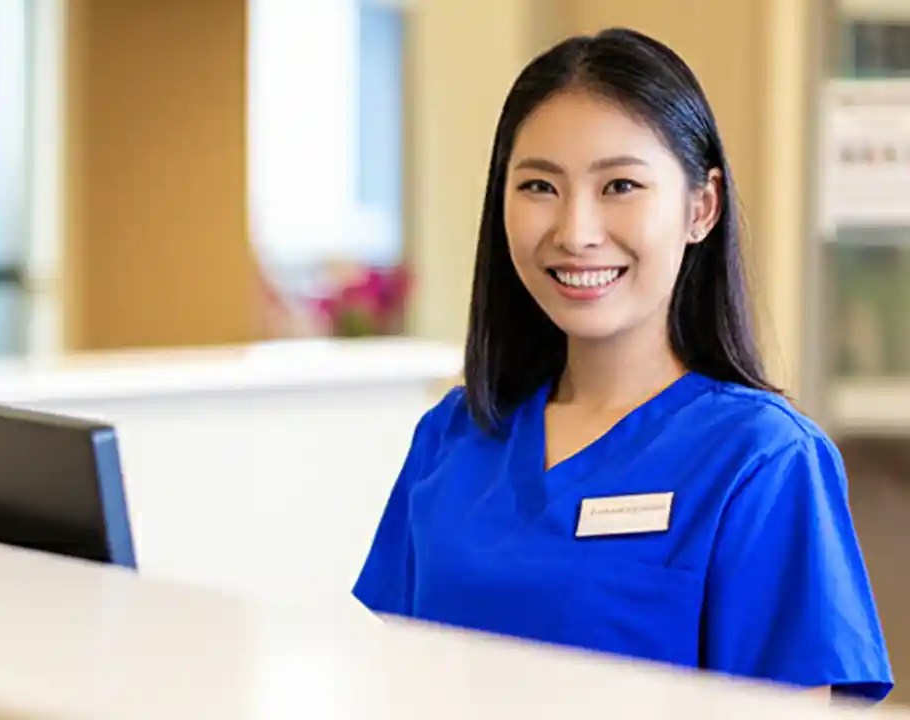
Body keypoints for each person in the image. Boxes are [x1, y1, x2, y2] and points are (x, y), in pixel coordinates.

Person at [352, 27, 894, 701]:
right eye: (540, 186)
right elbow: (398, 685)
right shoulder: (454, 436)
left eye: (620, 185)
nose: (576, 231)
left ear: (701, 207)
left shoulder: (762, 461)